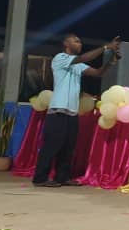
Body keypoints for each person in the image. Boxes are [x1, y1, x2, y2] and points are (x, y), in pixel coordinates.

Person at [34, 34, 121, 188]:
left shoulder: (77, 65)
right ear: (66, 44)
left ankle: (62, 177)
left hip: (72, 111)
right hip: (58, 110)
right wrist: (105, 47)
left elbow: (98, 73)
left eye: (80, 41)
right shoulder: (60, 58)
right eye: (76, 41)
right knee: (52, 145)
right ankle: (40, 178)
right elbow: (83, 58)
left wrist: (111, 62)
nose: (79, 44)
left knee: (68, 147)